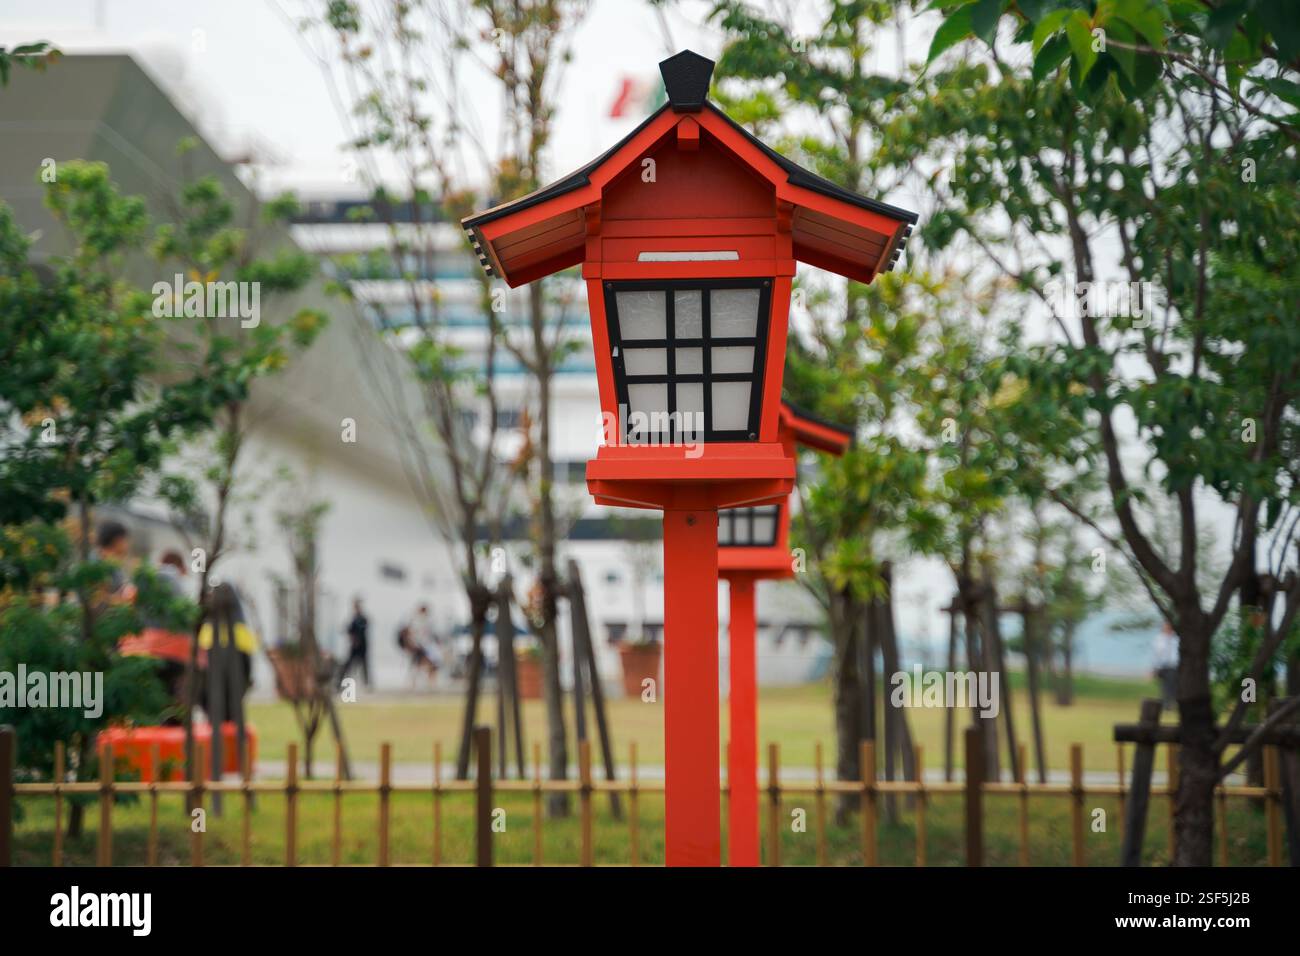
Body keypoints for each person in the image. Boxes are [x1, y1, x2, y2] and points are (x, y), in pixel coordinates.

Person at [339, 597, 371, 689]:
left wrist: (356, 638)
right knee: (349, 665)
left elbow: (361, 630)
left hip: (361, 646)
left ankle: (366, 683)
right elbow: (349, 630)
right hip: (355, 646)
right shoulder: (354, 619)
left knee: (363, 665)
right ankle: (341, 683)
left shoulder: (362, 618)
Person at [1153, 621, 1178, 707]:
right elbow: (1156, 654)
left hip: (1173, 665)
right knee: (1164, 686)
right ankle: (1165, 703)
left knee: (1171, 685)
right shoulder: (1159, 638)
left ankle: (1171, 702)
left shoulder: (1176, 638)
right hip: (1162, 666)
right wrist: (1154, 668)